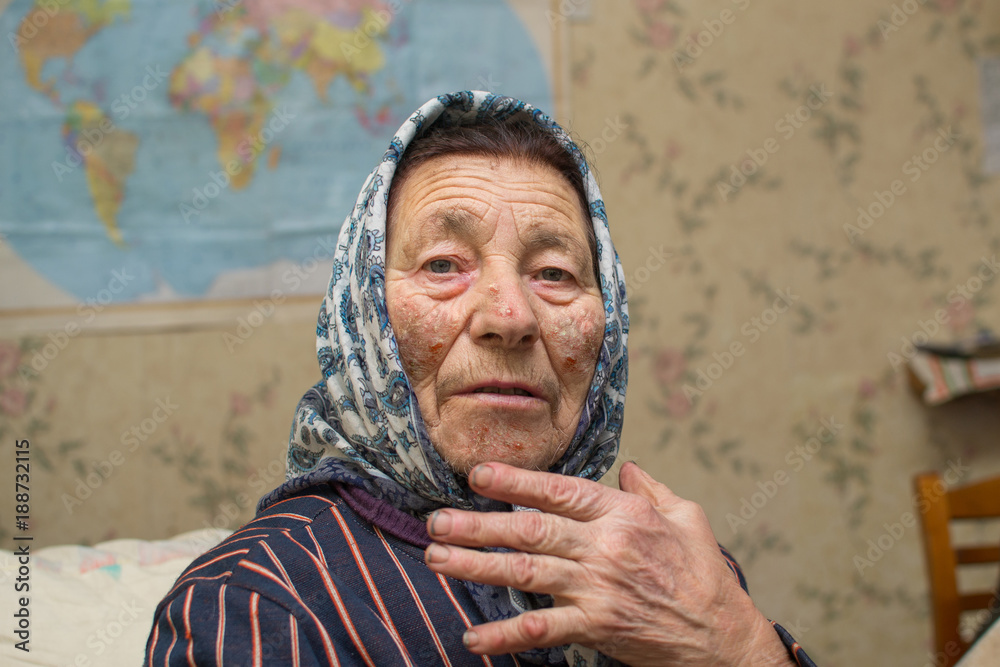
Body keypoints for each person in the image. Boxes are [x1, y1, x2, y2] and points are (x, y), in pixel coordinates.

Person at [145, 91, 816, 666]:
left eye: (554, 273)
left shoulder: (676, 572)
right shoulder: (261, 601)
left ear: (607, 323)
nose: (510, 316)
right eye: (443, 264)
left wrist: (734, 638)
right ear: (364, 319)